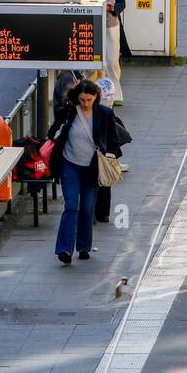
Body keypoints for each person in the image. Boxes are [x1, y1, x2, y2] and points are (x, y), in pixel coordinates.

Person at [48, 79, 130, 263]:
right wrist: (58, 131)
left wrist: (109, 154)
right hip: (70, 165)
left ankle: (84, 246)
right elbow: (51, 134)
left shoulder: (104, 114)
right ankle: (64, 250)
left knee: (86, 208)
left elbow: (114, 140)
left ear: (96, 98)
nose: (85, 103)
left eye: (89, 100)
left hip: (93, 168)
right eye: (82, 99)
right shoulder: (67, 112)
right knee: (71, 206)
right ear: (77, 97)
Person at [75, 0, 129, 105]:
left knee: (112, 62)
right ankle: (99, 95)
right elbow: (77, 8)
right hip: (93, 28)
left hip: (112, 26)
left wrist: (114, 8)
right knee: (98, 63)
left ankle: (115, 93)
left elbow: (122, 2)